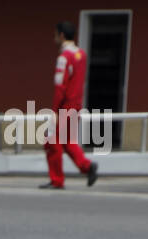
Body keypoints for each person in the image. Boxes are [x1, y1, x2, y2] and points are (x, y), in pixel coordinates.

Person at [39, 21, 99, 189]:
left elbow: (60, 86)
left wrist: (55, 110)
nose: (54, 37)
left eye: (55, 34)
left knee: (51, 140)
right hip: (76, 104)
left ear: (62, 35)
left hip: (65, 105)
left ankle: (57, 180)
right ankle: (86, 167)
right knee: (66, 141)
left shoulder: (64, 58)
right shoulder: (82, 54)